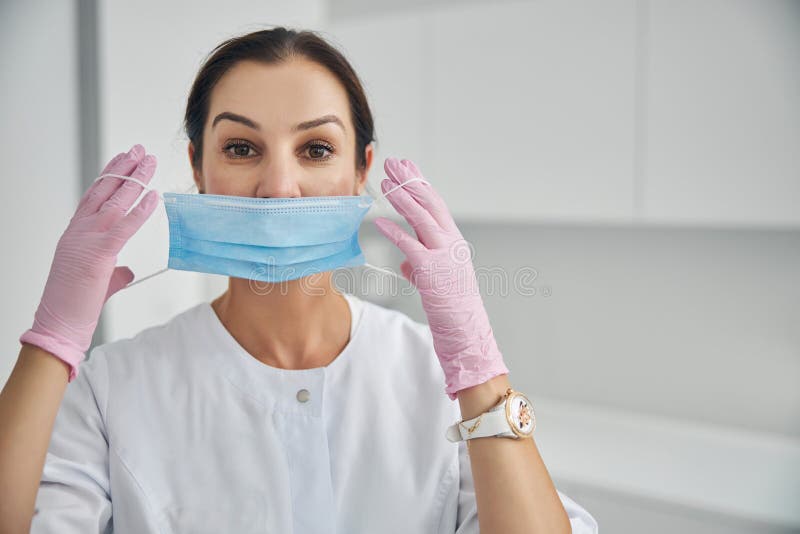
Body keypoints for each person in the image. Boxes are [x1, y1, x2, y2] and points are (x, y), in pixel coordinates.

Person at [0, 27, 598, 533]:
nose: (279, 188)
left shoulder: (438, 379)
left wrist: (480, 369)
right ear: (198, 168)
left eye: (315, 149)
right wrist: (51, 341)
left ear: (361, 170)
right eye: (241, 148)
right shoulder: (113, 389)